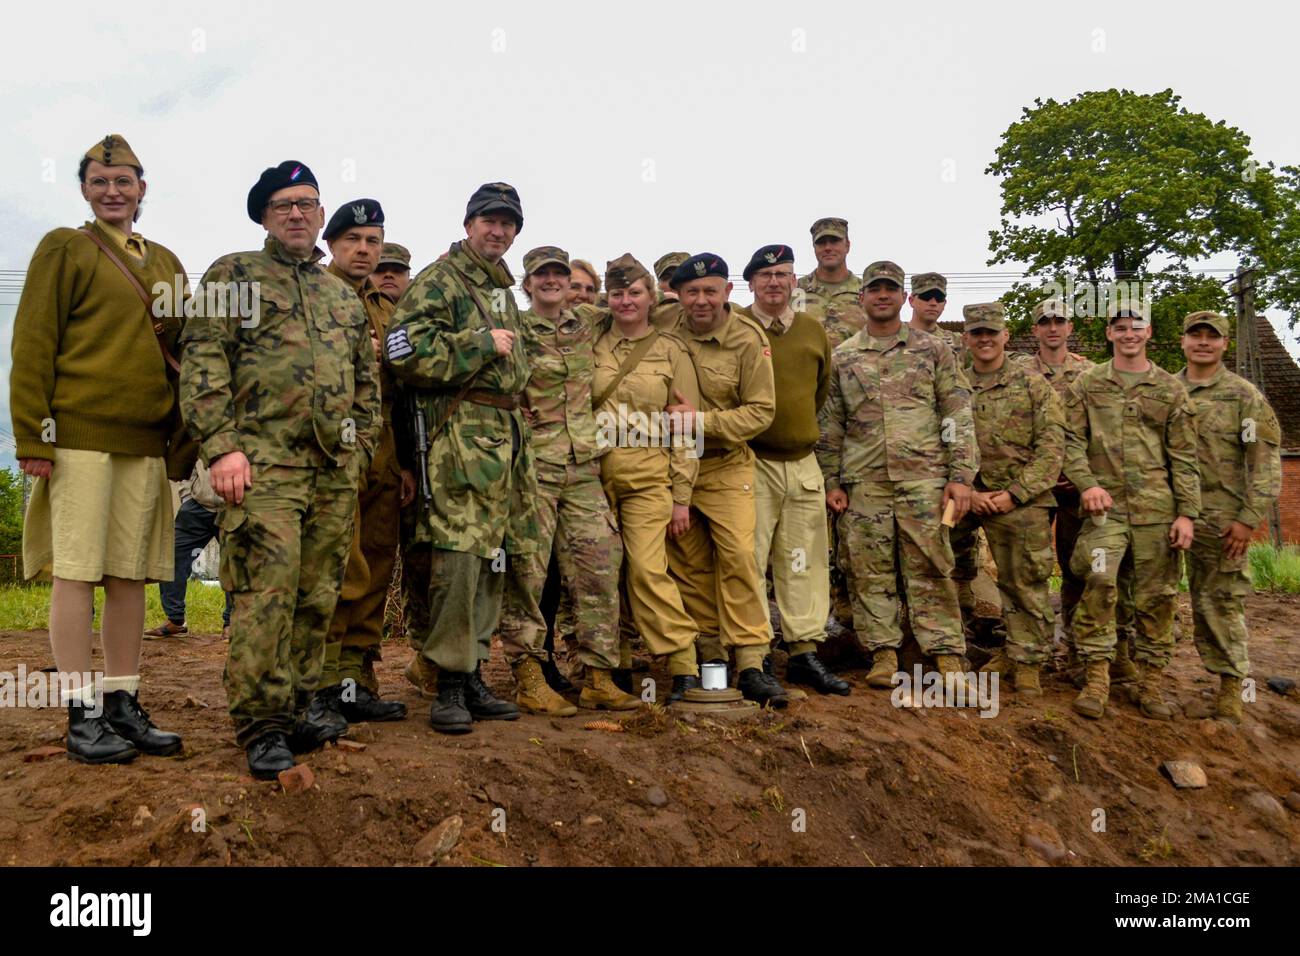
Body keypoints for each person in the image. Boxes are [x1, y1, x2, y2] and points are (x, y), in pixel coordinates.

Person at [181, 160, 381, 778]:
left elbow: (366, 383)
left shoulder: (337, 294)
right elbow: (203, 359)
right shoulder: (233, 273)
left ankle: (297, 704)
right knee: (266, 596)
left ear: (321, 216)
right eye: (283, 204)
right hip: (261, 467)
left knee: (317, 594)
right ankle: (262, 723)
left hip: (331, 471)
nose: (297, 213)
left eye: (308, 203)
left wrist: (360, 447)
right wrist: (222, 447)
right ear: (265, 216)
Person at [11, 133, 187, 764]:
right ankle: (81, 714)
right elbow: (33, 341)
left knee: (128, 576)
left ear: (143, 190)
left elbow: (184, 357)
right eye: (99, 182)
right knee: (77, 573)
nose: (113, 191)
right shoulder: (65, 248)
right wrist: (34, 435)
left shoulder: (166, 261)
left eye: (124, 182)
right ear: (84, 190)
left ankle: (122, 701)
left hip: (144, 442)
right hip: (78, 437)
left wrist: (185, 439)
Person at [384, 182, 535, 734]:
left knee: (492, 557)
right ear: (468, 223)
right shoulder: (440, 281)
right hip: (459, 438)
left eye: (508, 224)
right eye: (489, 220)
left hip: (503, 438)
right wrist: (476, 344)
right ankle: (447, 680)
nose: (498, 231)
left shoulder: (500, 288)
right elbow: (402, 351)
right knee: (457, 559)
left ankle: (472, 670)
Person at [817, 260, 977, 690]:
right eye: (874, 289)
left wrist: (961, 475)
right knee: (869, 570)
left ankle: (946, 656)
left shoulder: (934, 349)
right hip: (864, 481)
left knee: (931, 565)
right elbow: (831, 424)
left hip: (924, 479)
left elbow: (956, 412)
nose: (882, 295)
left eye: (890, 288)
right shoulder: (844, 357)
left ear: (904, 298)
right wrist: (831, 481)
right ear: (862, 298)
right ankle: (883, 653)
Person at [498, 246, 639, 714]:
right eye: (543, 275)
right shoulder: (513, 327)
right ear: (528, 283)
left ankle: (598, 674)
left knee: (600, 563)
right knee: (528, 571)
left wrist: (623, 264)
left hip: (584, 468)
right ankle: (529, 674)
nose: (552, 281)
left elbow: (638, 299)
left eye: (560, 274)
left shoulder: (588, 323)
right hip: (534, 466)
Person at [656, 254, 788, 707]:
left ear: (728, 291)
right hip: (673, 467)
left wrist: (700, 422)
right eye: (691, 291)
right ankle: (709, 660)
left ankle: (752, 661)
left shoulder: (747, 339)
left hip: (725, 463)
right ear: (677, 294)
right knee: (689, 565)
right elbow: (611, 316)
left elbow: (761, 411)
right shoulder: (664, 325)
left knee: (740, 559)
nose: (700, 300)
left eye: (710, 290)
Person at [1062, 308, 1200, 720]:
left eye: (1136, 328)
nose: (1128, 334)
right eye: (1120, 328)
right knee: (1100, 582)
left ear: (1149, 333)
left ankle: (1151, 682)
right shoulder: (1088, 383)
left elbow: (1185, 457)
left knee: (1157, 598)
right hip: (1106, 514)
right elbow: (1069, 441)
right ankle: (1098, 678)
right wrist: (1087, 484)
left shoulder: (1170, 390)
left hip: (1158, 512)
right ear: (1108, 333)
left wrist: (1187, 514)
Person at [587, 254, 703, 701]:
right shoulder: (591, 343)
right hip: (593, 475)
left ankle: (683, 664)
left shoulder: (672, 351)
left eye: (634, 292)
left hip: (648, 477)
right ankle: (611, 666)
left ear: (652, 297)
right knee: (600, 574)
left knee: (646, 570)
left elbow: (687, 429)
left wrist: (681, 495)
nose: (625, 301)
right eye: (617, 293)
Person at [315, 198, 411, 723]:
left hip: (385, 450)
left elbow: (405, 385)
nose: (364, 249)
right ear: (332, 244)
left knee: (375, 561)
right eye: (353, 239)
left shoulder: (386, 307)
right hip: (334, 451)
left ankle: (357, 676)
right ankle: (324, 680)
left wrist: (406, 465)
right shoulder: (314, 293)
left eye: (373, 240)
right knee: (336, 564)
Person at [740, 244, 847, 695]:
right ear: (751, 284)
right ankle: (754, 656)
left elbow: (818, 395)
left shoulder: (811, 330)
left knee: (803, 563)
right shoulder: (738, 327)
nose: (774, 283)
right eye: (765, 276)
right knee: (749, 562)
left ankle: (804, 653)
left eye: (783, 274)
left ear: (794, 282)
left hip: (801, 464)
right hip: (751, 463)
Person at [949, 303, 1064, 696]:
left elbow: (1052, 450)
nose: (984, 340)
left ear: (1006, 337)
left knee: (1024, 580)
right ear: (966, 339)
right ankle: (948, 649)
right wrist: (969, 491)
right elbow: (937, 442)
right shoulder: (954, 386)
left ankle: (1026, 661)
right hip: (963, 494)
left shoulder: (1033, 385)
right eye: (977, 333)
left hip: (1019, 497)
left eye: (991, 333)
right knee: (933, 562)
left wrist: (1014, 495)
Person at [1177, 311, 1281, 723]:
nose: (1203, 342)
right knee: (1150, 599)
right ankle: (1141, 678)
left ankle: (1230, 689)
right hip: (1165, 514)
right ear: (1183, 341)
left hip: (1220, 520)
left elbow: (1265, 463)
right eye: (1195, 335)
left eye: (1212, 337)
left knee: (1219, 602)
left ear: (1224, 344)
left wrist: (1248, 518)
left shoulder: (1244, 397)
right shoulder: (1167, 390)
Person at [143, 458, 233, 641]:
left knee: (234, 566)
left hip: (235, 507)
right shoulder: (202, 429)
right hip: (197, 506)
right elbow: (189, 461)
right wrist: (186, 496)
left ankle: (232, 623)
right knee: (171, 556)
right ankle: (175, 620)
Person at [797, 217, 865, 349]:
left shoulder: (867, 292)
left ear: (847, 245)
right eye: (821, 243)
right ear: (814, 248)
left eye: (834, 241)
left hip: (853, 368)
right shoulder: (795, 290)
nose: (828, 248)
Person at [908, 272, 965, 368]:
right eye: (926, 296)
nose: (933, 303)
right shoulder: (894, 339)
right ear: (911, 300)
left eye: (939, 298)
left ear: (944, 304)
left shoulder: (959, 342)